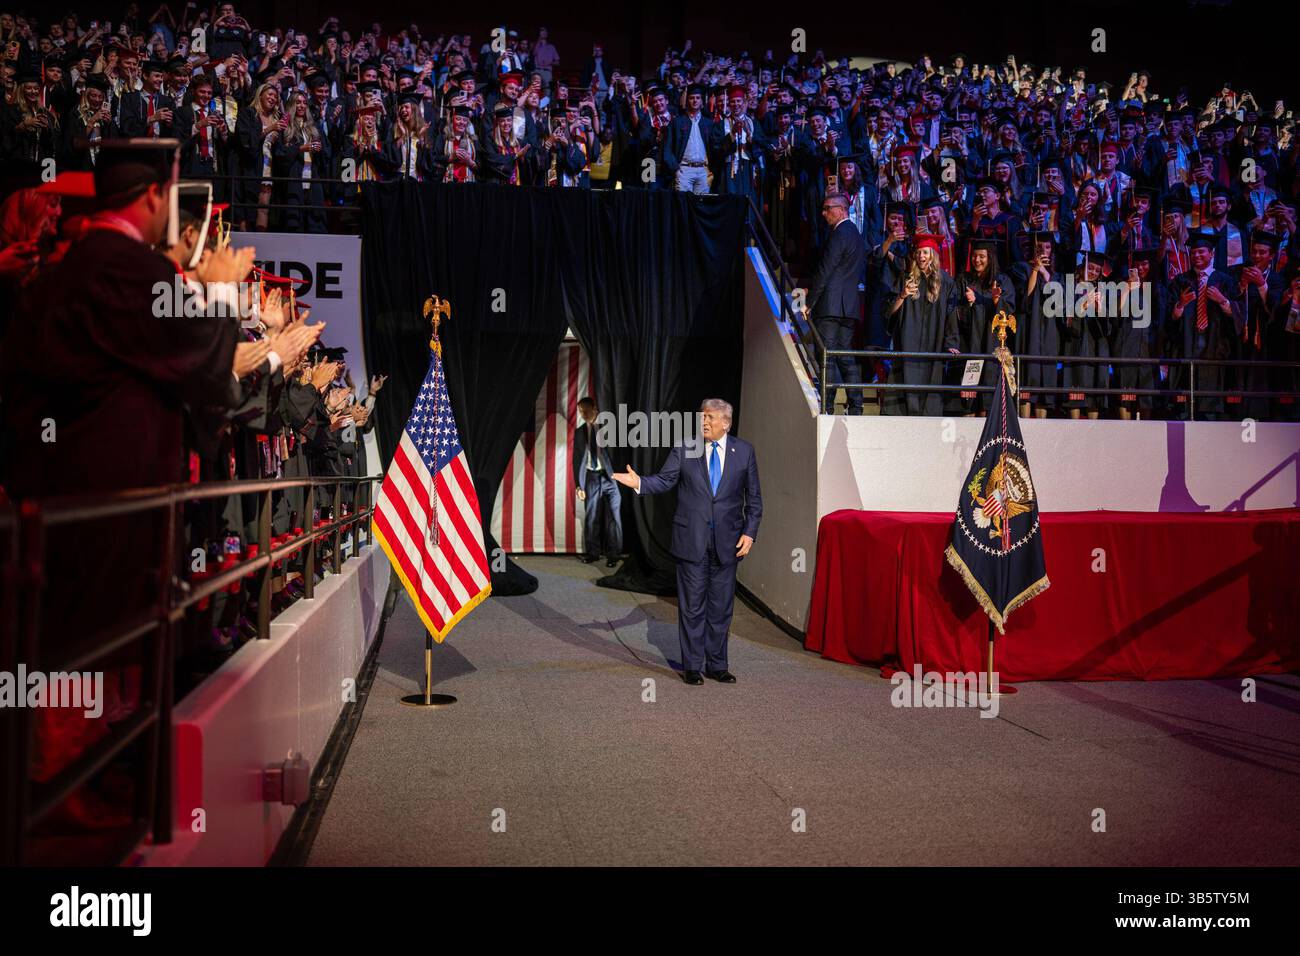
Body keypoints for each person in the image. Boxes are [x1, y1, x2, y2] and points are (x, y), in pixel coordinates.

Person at [612, 399, 761, 685]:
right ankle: (692, 666)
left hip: (728, 544)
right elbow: (665, 481)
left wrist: (750, 532)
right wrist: (640, 483)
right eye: (702, 417)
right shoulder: (685, 447)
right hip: (691, 541)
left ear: (726, 422)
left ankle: (717, 665)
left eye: (710, 418)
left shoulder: (744, 451)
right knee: (692, 607)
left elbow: (754, 499)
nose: (704, 422)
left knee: (720, 608)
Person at [803, 191, 865, 413]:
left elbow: (826, 269)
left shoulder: (839, 233)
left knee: (827, 357)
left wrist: (810, 302)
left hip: (830, 306)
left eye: (827, 208)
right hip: (848, 307)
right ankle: (857, 406)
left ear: (841, 209)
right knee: (845, 357)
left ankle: (827, 406)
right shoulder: (856, 234)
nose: (823, 213)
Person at [571, 396, 622, 568]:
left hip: (610, 478)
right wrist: (579, 485)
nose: (583, 414)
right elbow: (576, 459)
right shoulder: (579, 432)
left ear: (594, 408)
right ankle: (593, 553)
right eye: (580, 411)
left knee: (614, 518)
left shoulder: (608, 427)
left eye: (585, 410)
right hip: (591, 477)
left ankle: (614, 555)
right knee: (591, 517)